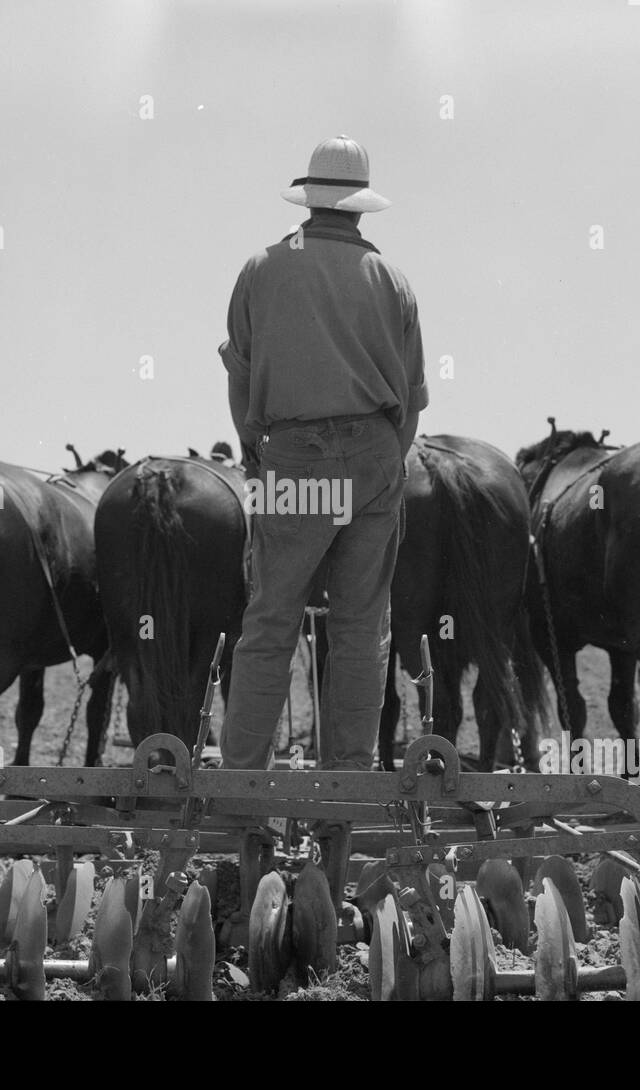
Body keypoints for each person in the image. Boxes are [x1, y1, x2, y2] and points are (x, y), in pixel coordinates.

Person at [217, 135, 428, 900]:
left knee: (270, 620)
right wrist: (379, 459)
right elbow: (413, 398)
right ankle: (349, 797)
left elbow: (240, 376)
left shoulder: (262, 270)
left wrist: (258, 456)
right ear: (361, 203)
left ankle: (243, 793)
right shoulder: (391, 279)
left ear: (307, 198)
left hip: (294, 459)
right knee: (360, 631)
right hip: (375, 452)